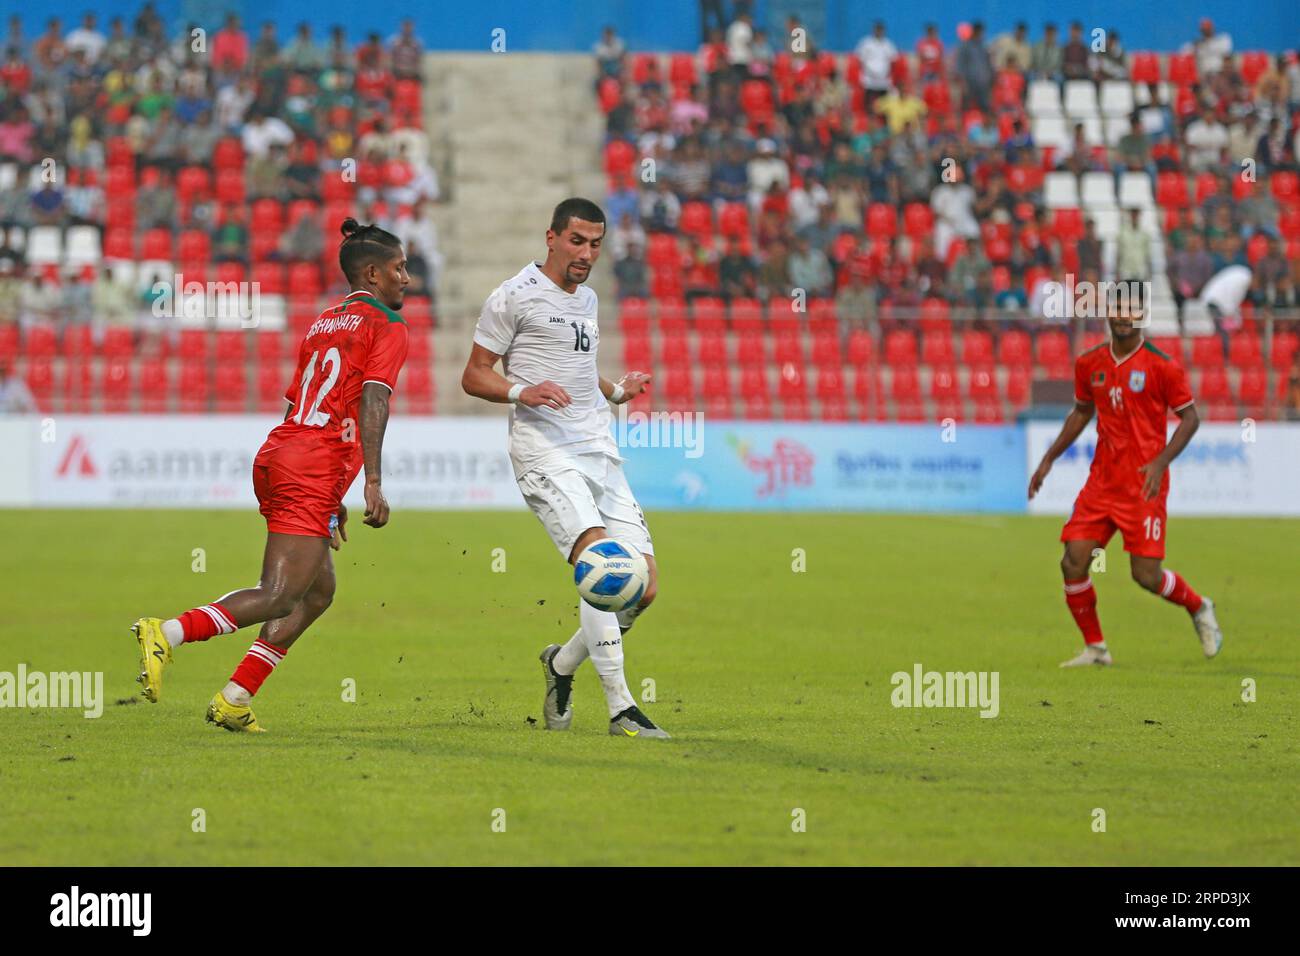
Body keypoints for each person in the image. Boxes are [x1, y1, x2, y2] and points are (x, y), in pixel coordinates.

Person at [129, 220, 411, 732]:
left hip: (285, 451)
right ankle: (166, 632)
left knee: (318, 592)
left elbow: (296, 401)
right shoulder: (387, 324)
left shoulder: (323, 321)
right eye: (399, 268)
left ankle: (235, 697)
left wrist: (330, 495)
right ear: (372, 273)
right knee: (278, 593)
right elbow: (374, 397)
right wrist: (372, 479)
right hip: (312, 463)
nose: (406, 279)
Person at [460, 198, 668, 739]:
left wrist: (616, 391)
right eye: (577, 241)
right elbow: (474, 374)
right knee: (603, 566)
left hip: (598, 449)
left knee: (642, 588)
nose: (586, 253)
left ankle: (560, 666)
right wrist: (523, 390)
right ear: (551, 238)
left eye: (596, 244)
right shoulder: (514, 296)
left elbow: (579, 364)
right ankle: (623, 708)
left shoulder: (589, 298)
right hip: (544, 451)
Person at [1028, 282, 1222, 667]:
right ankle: (1096, 648)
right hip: (1102, 482)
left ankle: (1199, 606)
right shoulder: (1090, 363)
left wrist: (1161, 461)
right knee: (1073, 561)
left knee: (1146, 576)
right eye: (1117, 309)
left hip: (1143, 486)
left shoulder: (1162, 366)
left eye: (1131, 310)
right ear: (1107, 314)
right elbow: (1082, 412)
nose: (1123, 317)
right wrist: (1049, 458)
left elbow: (1190, 418)